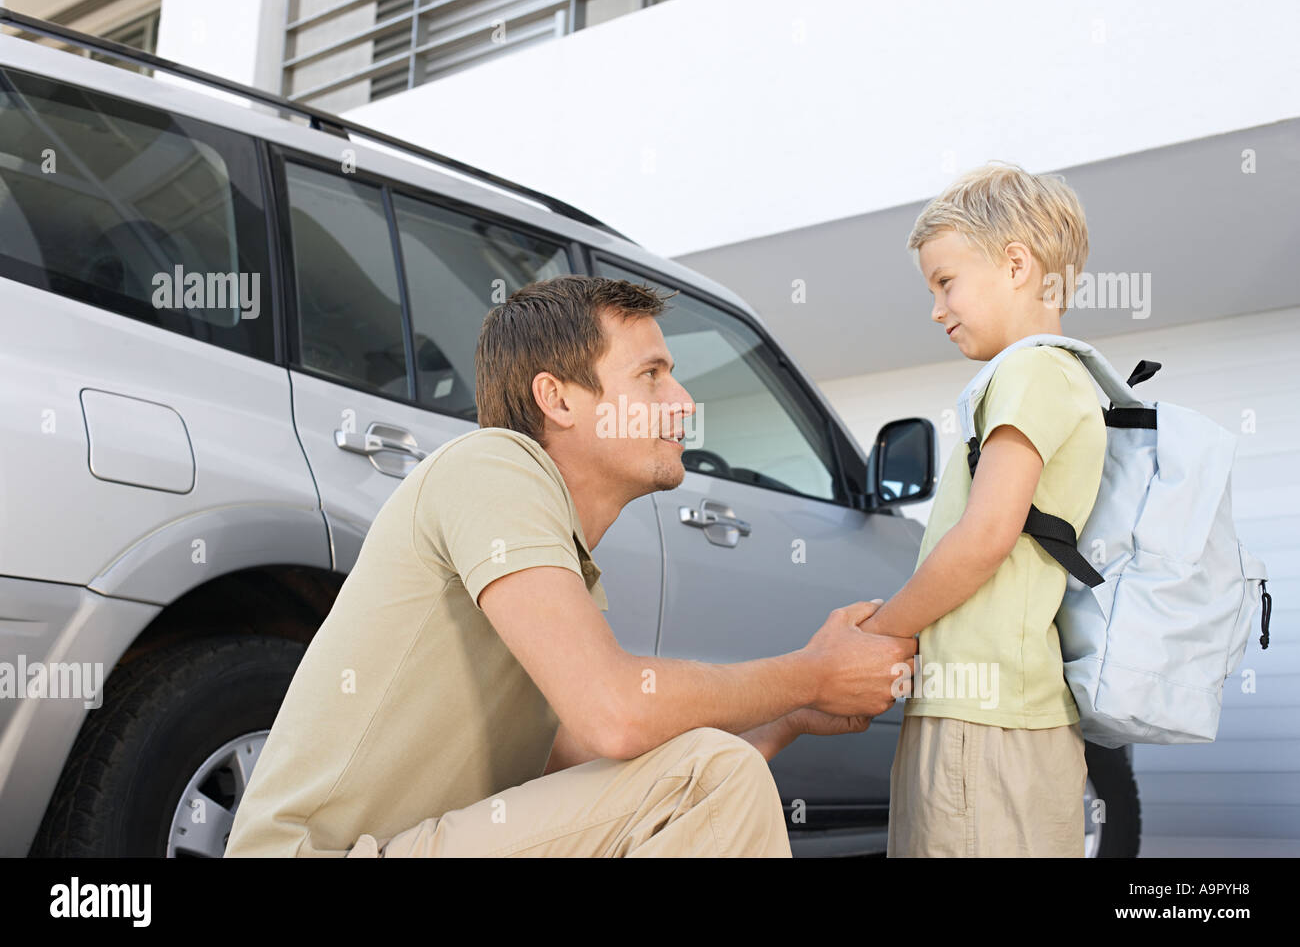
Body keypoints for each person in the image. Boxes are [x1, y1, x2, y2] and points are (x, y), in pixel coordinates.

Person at [224, 275, 915, 858]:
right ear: (556, 399)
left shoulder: (557, 558)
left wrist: (790, 712)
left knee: (711, 770)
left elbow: (577, 770)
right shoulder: (491, 466)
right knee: (712, 775)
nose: (684, 405)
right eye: (651, 376)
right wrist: (814, 671)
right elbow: (616, 713)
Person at [866, 162, 1106, 857]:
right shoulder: (1049, 376)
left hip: (986, 721)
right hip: (984, 711)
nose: (937, 308)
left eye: (945, 282)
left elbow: (986, 536)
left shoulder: (1031, 371)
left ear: (1016, 265)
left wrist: (883, 632)